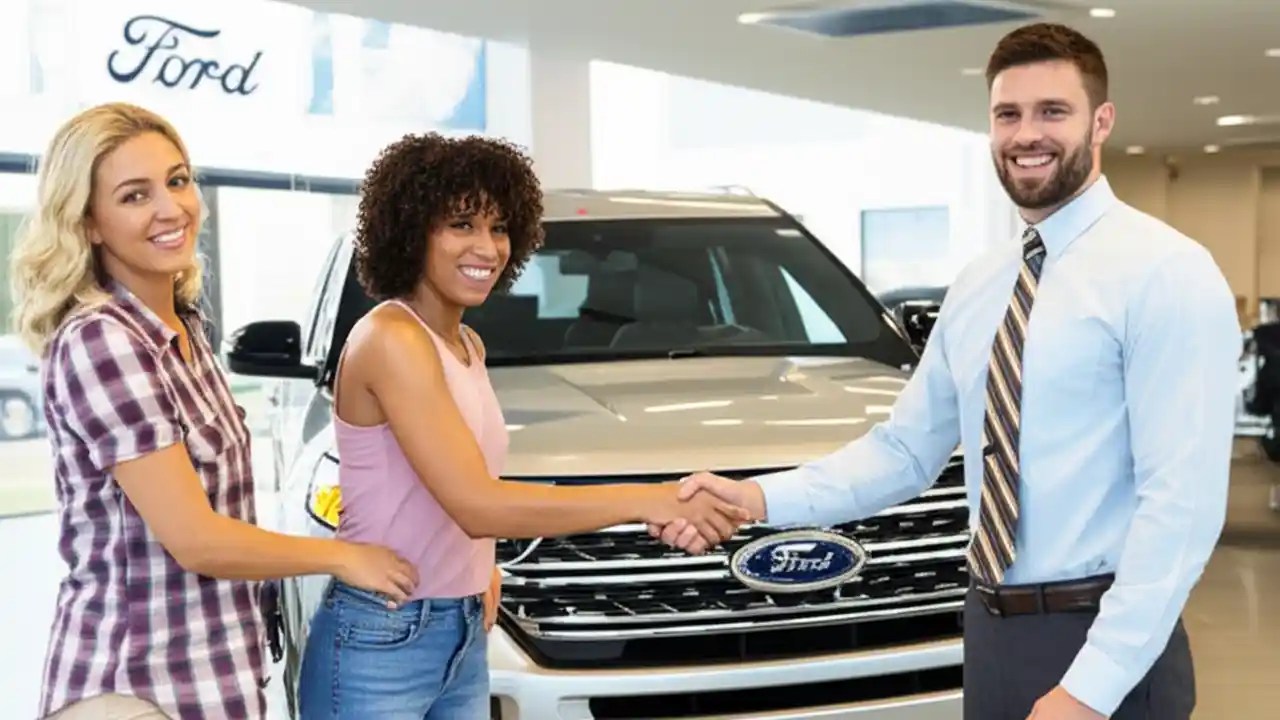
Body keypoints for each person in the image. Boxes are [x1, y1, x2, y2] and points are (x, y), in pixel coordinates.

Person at [653, 22, 1239, 720]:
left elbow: (1180, 507)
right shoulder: (981, 285)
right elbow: (904, 452)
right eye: (1007, 114)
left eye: (1053, 111)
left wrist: (1090, 688)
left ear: (1102, 121)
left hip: (1104, 640)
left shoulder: (1166, 273)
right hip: (989, 632)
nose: (1027, 134)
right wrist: (754, 497)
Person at [295, 132, 748, 719]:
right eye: (461, 224)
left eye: (500, 227)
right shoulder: (392, 338)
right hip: (383, 635)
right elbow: (478, 504)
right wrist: (654, 499)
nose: (487, 247)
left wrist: (477, 566)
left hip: (458, 627)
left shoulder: (465, 344)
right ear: (410, 231)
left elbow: (437, 493)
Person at [9, 102, 421, 720]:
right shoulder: (102, 340)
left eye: (177, 180)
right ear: (88, 222)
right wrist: (344, 555)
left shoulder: (182, 327)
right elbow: (196, 540)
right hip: (136, 685)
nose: (171, 208)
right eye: (134, 195)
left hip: (212, 674)